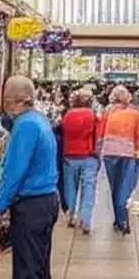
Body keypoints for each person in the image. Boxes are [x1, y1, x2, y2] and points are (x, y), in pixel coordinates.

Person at [0, 76, 59, 279]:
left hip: (30, 206)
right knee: (41, 274)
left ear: (11, 101)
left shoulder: (26, 127)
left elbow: (14, 171)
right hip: (47, 202)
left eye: (5, 101)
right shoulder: (38, 121)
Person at [96, 85, 139, 234]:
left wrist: (98, 149)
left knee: (114, 187)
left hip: (109, 152)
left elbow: (100, 131)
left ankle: (119, 219)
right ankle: (122, 219)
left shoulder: (107, 111)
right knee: (125, 186)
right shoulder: (135, 112)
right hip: (128, 153)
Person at [60, 90, 98, 234]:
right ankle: (86, 220)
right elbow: (97, 133)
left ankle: (71, 215)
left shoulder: (67, 115)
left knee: (70, 187)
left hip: (69, 155)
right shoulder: (92, 115)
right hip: (88, 155)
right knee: (88, 187)